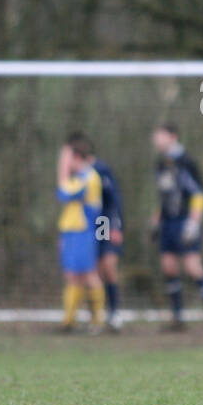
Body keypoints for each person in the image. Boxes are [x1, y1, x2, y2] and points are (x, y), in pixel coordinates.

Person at [151, 123, 203, 330]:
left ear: (173, 136)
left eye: (160, 135)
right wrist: (156, 219)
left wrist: (193, 222)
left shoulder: (186, 162)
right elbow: (165, 197)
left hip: (185, 221)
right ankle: (178, 317)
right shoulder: (161, 163)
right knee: (169, 267)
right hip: (168, 223)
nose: (156, 140)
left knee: (192, 267)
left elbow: (199, 194)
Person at [68, 133, 125, 331]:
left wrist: (116, 227)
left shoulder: (100, 170)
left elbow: (113, 200)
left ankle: (114, 312)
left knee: (107, 265)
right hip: (85, 227)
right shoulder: (75, 173)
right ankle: (93, 316)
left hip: (103, 222)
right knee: (89, 271)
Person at [56, 136, 107, 333]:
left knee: (89, 275)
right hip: (71, 232)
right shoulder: (79, 178)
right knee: (71, 275)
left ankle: (97, 321)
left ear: (76, 156)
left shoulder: (89, 177)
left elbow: (63, 194)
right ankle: (69, 321)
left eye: (67, 157)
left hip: (83, 232)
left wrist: (62, 168)